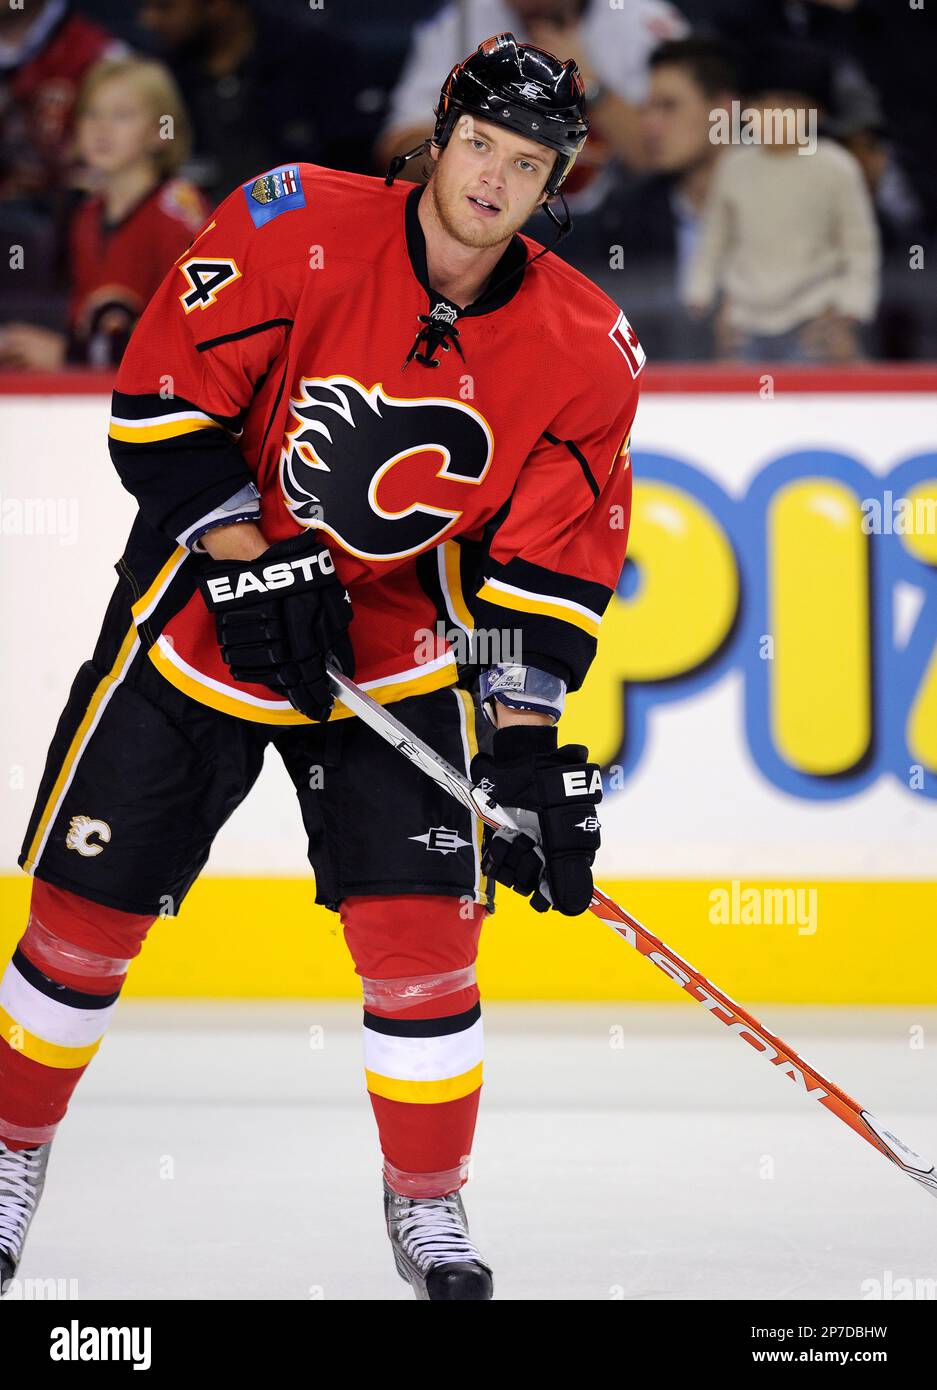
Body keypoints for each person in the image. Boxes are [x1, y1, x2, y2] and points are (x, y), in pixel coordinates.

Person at [0, 32, 642, 1302]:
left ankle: (428, 1203)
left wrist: (522, 751)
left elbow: (546, 570)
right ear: (438, 137)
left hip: (395, 651)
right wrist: (253, 565)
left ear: (555, 180)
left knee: (424, 940)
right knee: (84, 916)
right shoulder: (291, 219)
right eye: (479, 145)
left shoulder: (583, 344)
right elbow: (162, 406)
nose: (494, 179)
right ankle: (11, 1152)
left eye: (527, 163)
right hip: (199, 619)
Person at [0, 57, 208, 371]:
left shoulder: (177, 215)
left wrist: (67, 356)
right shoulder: (86, 214)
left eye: (121, 115)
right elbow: (85, 324)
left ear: (160, 131)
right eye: (91, 113)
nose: (101, 128)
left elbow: (197, 338)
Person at [682, 42, 880, 361]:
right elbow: (715, 237)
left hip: (814, 318)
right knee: (737, 392)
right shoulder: (734, 165)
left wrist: (851, 306)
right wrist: (700, 291)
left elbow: (859, 246)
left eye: (786, 102)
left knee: (819, 392)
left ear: (817, 111)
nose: (771, 113)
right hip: (744, 321)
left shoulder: (836, 166)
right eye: (761, 102)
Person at [376, 0, 688, 186]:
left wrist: (588, 87)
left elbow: (671, 158)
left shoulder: (642, 20)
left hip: (623, 230)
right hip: (494, 224)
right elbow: (399, 152)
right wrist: (491, 140)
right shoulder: (463, 18)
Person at [137, 0, 367, 203]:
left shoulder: (317, 57)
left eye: (165, 7)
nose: (149, 19)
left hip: (306, 222)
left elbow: (351, 168)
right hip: (200, 229)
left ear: (219, 5)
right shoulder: (157, 74)